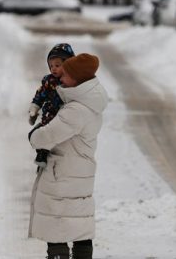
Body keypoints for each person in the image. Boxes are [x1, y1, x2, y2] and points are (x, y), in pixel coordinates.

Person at [27, 53, 108, 259]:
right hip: (78, 173)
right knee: (79, 226)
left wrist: (34, 134)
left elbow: (45, 137)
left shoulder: (75, 111)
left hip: (63, 174)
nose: (60, 77)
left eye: (66, 75)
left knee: (58, 226)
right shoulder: (89, 104)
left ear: (77, 80)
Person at [28, 43, 75, 168]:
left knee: (53, 137)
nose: (53, 69)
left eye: (57, 65)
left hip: (63, 116)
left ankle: (46, 153)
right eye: (51, 66)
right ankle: (42, 154)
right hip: (48, 115)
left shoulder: (72, 81)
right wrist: (35, 107)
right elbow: (40, 94)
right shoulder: (49, 81)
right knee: (36, 134)